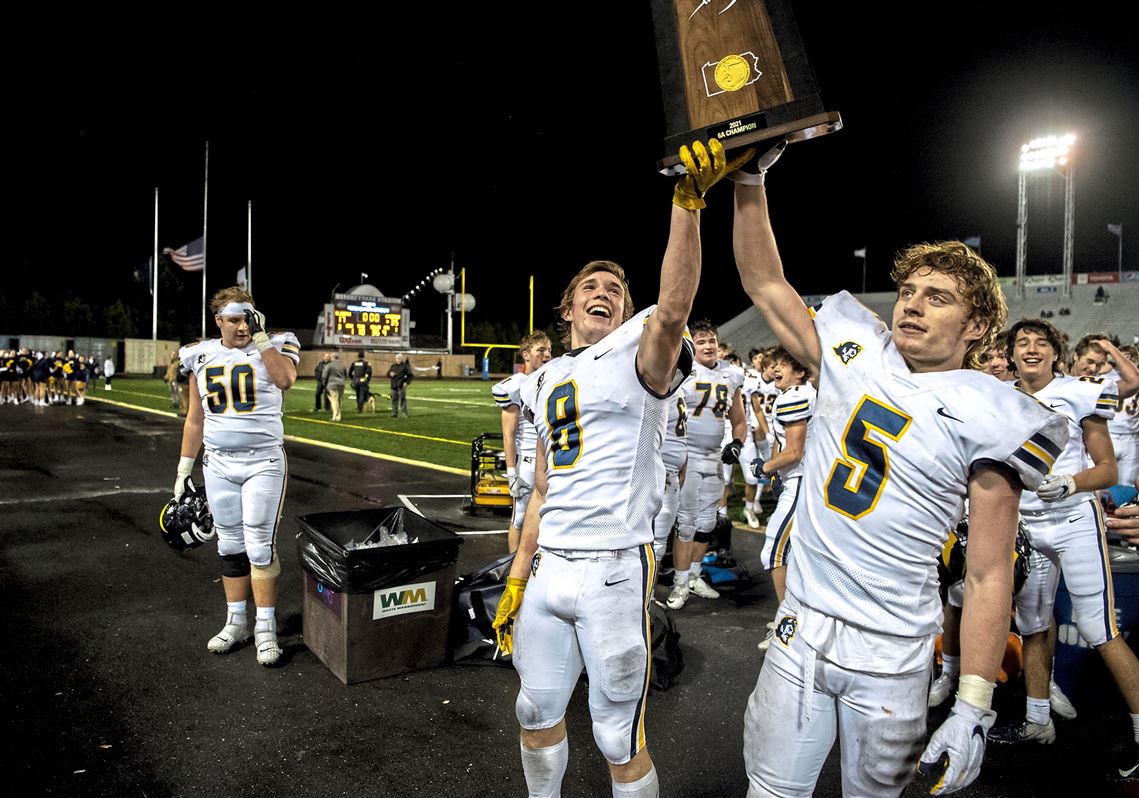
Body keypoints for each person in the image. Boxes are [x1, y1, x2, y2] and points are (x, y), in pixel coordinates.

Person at [730, 141, 1068, 797]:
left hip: (891, 650)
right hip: (800, 625)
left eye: (936, 297)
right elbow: (764, 282)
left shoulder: (992, 410)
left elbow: (988, 568)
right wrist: (750, 178)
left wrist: (970, 705)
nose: (910, 303)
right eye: (908, 290)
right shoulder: (855, 346)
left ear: (974, 326)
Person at [490, 138, 743, 798]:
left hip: (611, 569)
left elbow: (676, 303)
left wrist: (686, 203)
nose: (603, 292)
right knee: (532, 712)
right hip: (548, 573)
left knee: (615, 736)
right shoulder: (546, 377)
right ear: (566, 308)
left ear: (625, 311)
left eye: (615, 288)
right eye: (589, 286)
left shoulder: (641, 358)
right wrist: (517, 578)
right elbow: (541, 488)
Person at [988, 319, 1139, 776]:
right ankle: (1037, 721)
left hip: (1073, 519)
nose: (1031, 348)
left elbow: (1108, 470)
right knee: (1033, 625)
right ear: (1011, 353)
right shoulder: (998, 397)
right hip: (1025, 525)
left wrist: (1072, 482)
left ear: (1057, 352)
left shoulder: (1081, 392)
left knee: (1099, 629)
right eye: (1022, 342)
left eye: (1041, 342)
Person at [172, 286, 299, 667]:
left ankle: (265, 628)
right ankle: (236, 621)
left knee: (259, 546)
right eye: (234, 319)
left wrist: (261, 338)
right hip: (218, 462)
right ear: (218, 321)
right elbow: (195, 417)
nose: (242, 326)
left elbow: (286, 380)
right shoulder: (200, 354)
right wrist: (183, 468)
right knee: (228, 545)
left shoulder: (274, 344)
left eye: (248, 317)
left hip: (263, 461)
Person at [666, 318, 745, 610]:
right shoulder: (683, 371)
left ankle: (695, 576)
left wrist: (736, 443)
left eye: (712, 340)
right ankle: (679, 583)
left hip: (713, 457)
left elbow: (739, 421)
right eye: (701, 341)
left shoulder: (731, 374)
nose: (708, 346)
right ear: (693, 346)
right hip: (687, 455)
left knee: (707, 523)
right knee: (685, 523)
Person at [750, 347, 815, 650]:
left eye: (783, 365)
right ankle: (797, 616)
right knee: (796, 554)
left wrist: (764, 467)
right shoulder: (801, 393)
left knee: (774, 553)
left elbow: (793, 451)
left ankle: (787, 623)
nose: (775, 369)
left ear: (800, 371)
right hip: (800, 480)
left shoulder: (795, 397)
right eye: (773, 364)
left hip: (802, 481)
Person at [492, 331, 552, 553]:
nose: (547, 355)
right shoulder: (514, 386)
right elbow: (508, 434)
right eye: (541, 351)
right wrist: (511, 473)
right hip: (527, 462)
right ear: (526, 355)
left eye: (549, 350)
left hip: (550, 462)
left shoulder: (552, 379)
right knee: (519, 519)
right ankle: (513, 576)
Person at [324, 353, 347, 422]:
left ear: (332, 357)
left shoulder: (329, 365)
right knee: (339, 401)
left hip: (332, 385)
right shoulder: (342, 365)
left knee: (334, 401)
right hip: (341, 384)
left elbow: (324, 375)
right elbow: (346, 375)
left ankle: (335, 417)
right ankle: (338, 416)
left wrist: (324, 384)